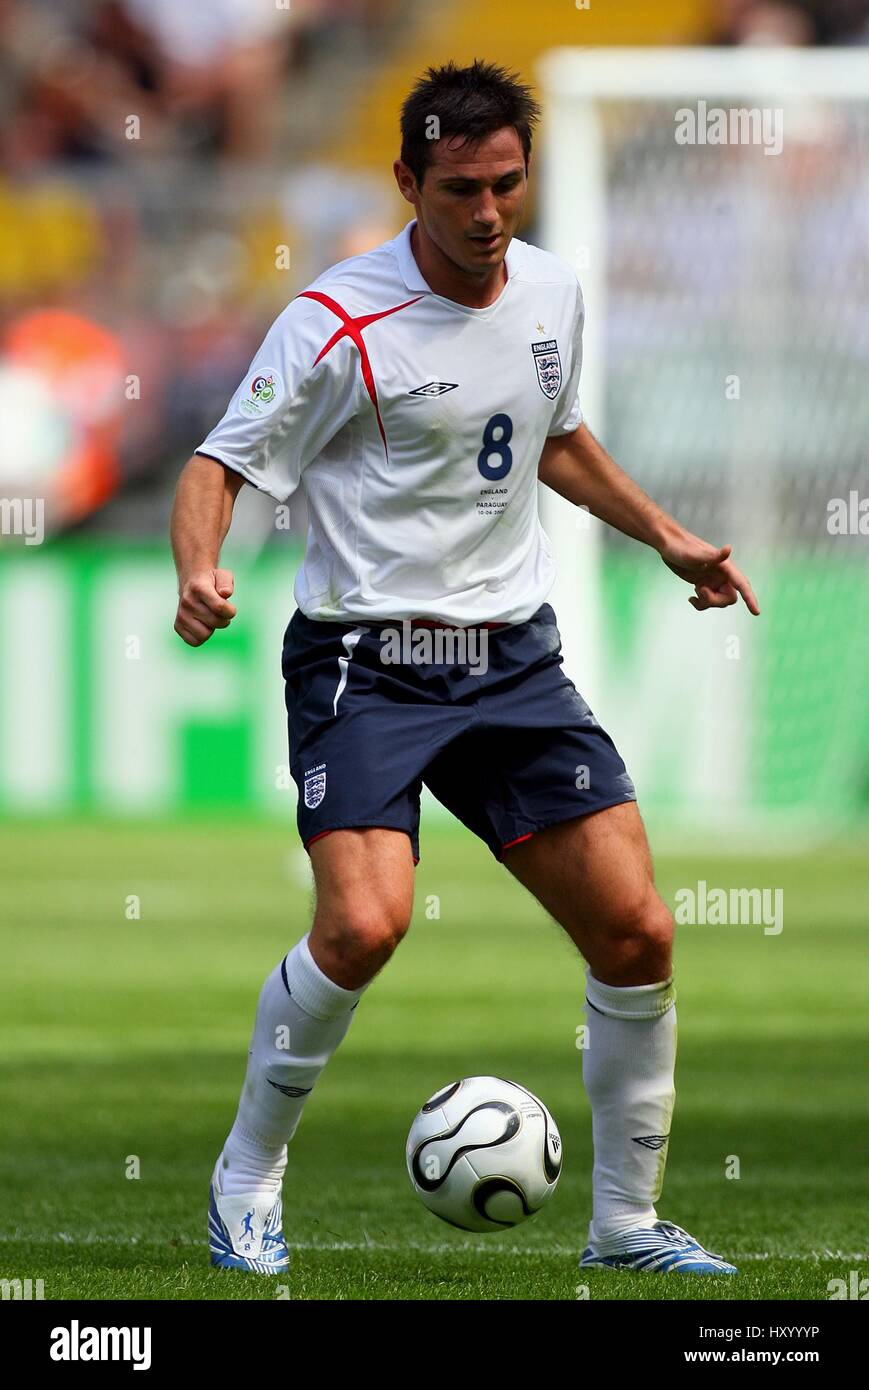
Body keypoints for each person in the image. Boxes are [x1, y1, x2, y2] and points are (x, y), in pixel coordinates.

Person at [170, 59, 760, 1279]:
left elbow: (555, 438)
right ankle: (246, 1179)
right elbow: (216, 462)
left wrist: (665, 537)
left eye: (504, 185)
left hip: (508, 659)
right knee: (366, 925)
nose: (487, 214)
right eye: (458, 191)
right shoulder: (336, 320)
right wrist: (200, 568)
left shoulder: (550, 291)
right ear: (406, 184)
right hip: (367, 662)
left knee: (639, 930)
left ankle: (624, 1227)